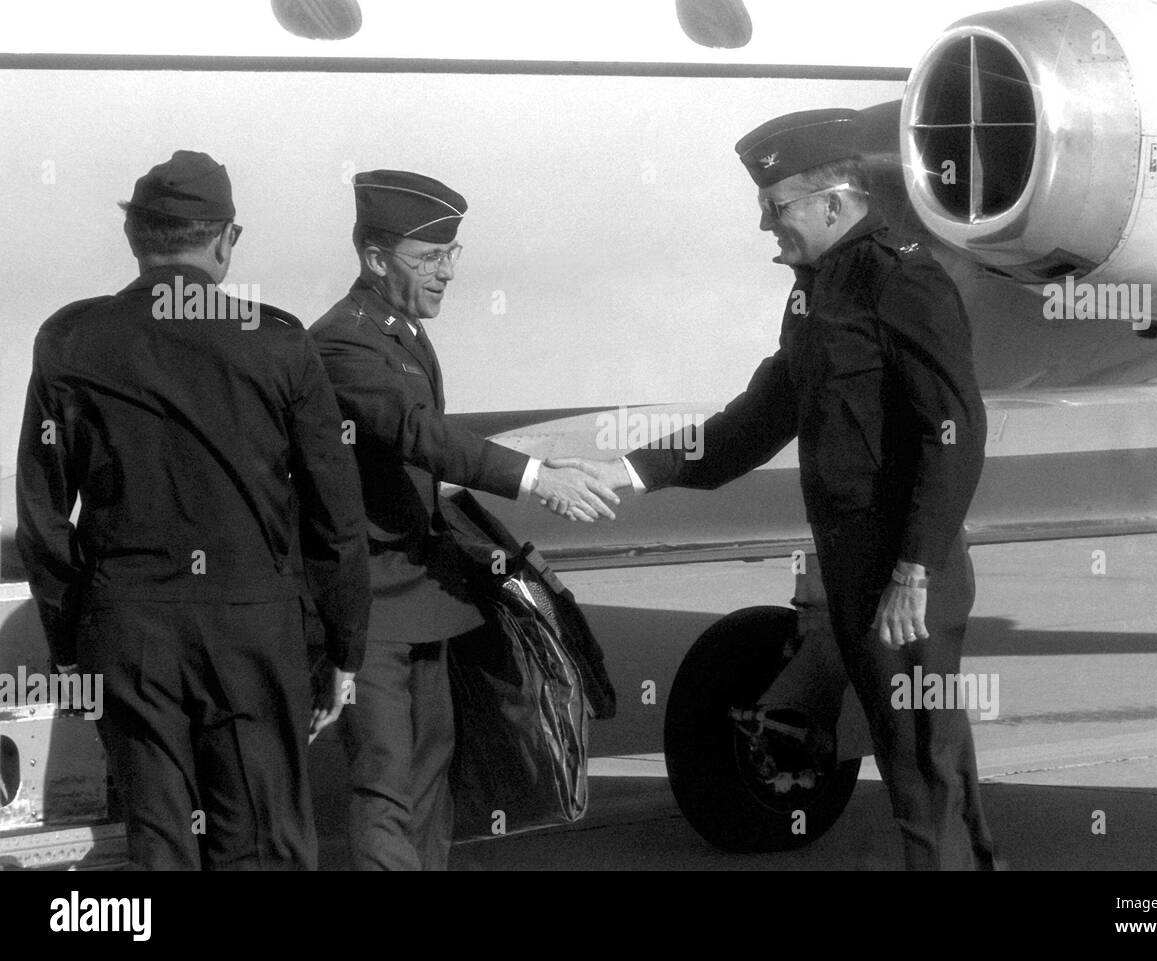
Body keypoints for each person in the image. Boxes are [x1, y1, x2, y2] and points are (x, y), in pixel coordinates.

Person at [555, 109, 998, 870]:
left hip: (904, 579)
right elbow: (757, 420)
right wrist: (632, 471)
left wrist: (913, 571)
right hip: (862, 576)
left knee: (922, 774)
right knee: (929, 765)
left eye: (776, 204)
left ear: (833, 202)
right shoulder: (814, 292)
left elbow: (954, 434)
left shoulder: (904, 280)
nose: (765, 222)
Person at [16, 150, 371, 870]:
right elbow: (335, 512)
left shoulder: (69, 339)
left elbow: (43, 515)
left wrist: (72, 645)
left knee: (159, 842)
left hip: (127, 628)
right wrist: (343, 646)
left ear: (133, 238)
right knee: (263, 842)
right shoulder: (277, 342)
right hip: (253, 632)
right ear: (225, 240)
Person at [309, 169, 618, 870]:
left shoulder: (399, 330)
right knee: (386, 781)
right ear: (375, 257)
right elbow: (420, 434)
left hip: (422, 595)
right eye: (430, 258)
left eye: (452, 254)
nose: (448, 272)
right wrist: (536, 478)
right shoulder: (342, 343)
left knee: (429, 777)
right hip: (372, 608)